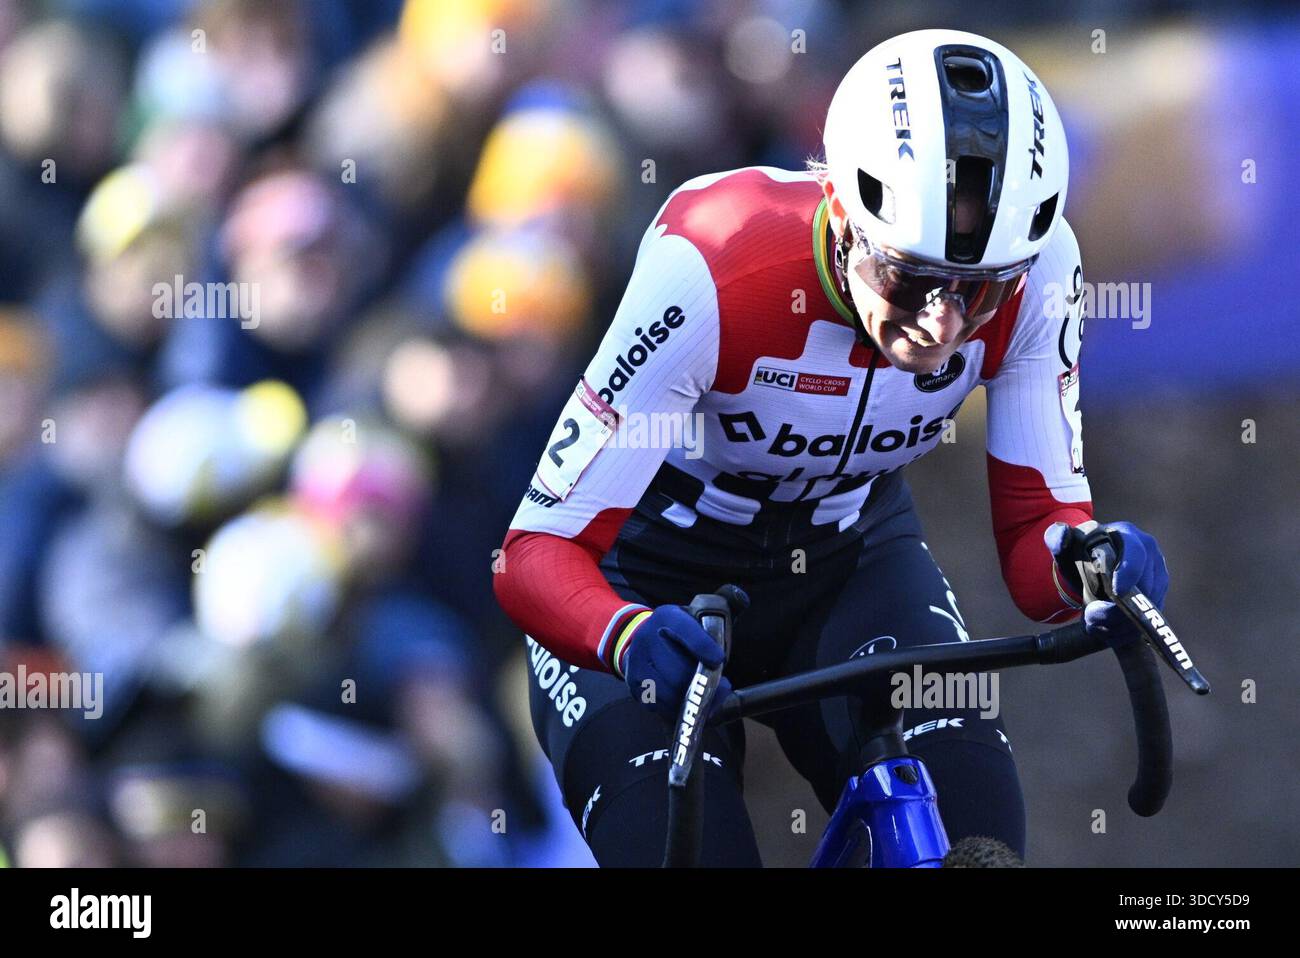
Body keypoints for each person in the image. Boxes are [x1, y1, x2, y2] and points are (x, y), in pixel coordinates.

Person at [493, 29, 1169, 866]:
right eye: (913, 277)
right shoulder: (716, 259)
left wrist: (1091, 562)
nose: (943, 323)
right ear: (843, 215)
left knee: (976, 843)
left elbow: (1039, 545)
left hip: (851, 564)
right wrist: (624, 636)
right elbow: (532, 555)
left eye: (982, 290)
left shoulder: (1042, 272)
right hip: (644, 585)